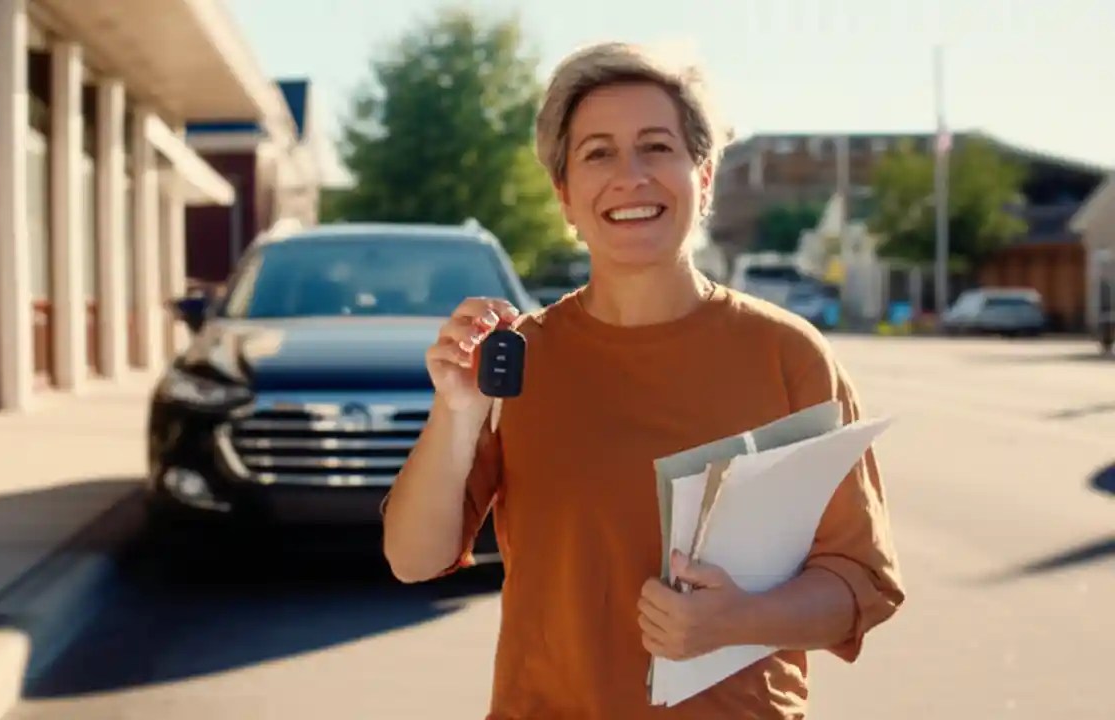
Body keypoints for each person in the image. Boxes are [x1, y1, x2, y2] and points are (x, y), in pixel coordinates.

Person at [382, 41, 904, 719]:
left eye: (656, 147)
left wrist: (739, 620)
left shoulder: (787, 355)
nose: (630, 176)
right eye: (598, 153)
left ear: (704, 177)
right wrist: (456, 412)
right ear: (565, 195)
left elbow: (860, 582)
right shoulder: (519, 359)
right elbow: (413, 559)